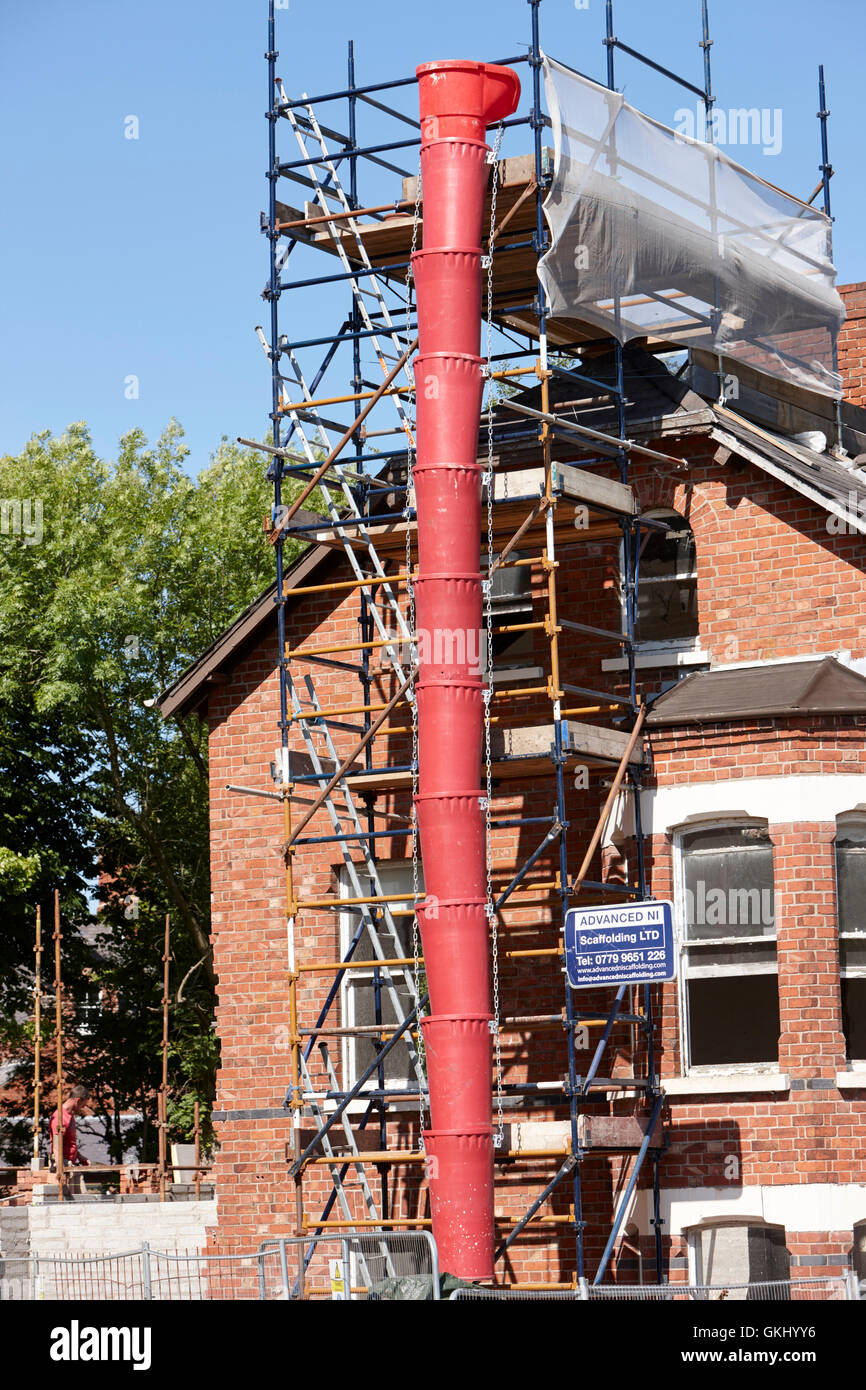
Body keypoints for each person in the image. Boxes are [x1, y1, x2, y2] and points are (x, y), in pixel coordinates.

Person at [48, 1084, 91, 1168]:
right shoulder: (59, 1117)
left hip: (70, 1163)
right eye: (82, 1105)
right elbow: (56, 1144)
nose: (82, 1108)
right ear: (77, 1101)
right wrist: (60, 1170)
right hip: (63, 1164)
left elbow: (70, 1143)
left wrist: (79, 1156)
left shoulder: (70, 1116)